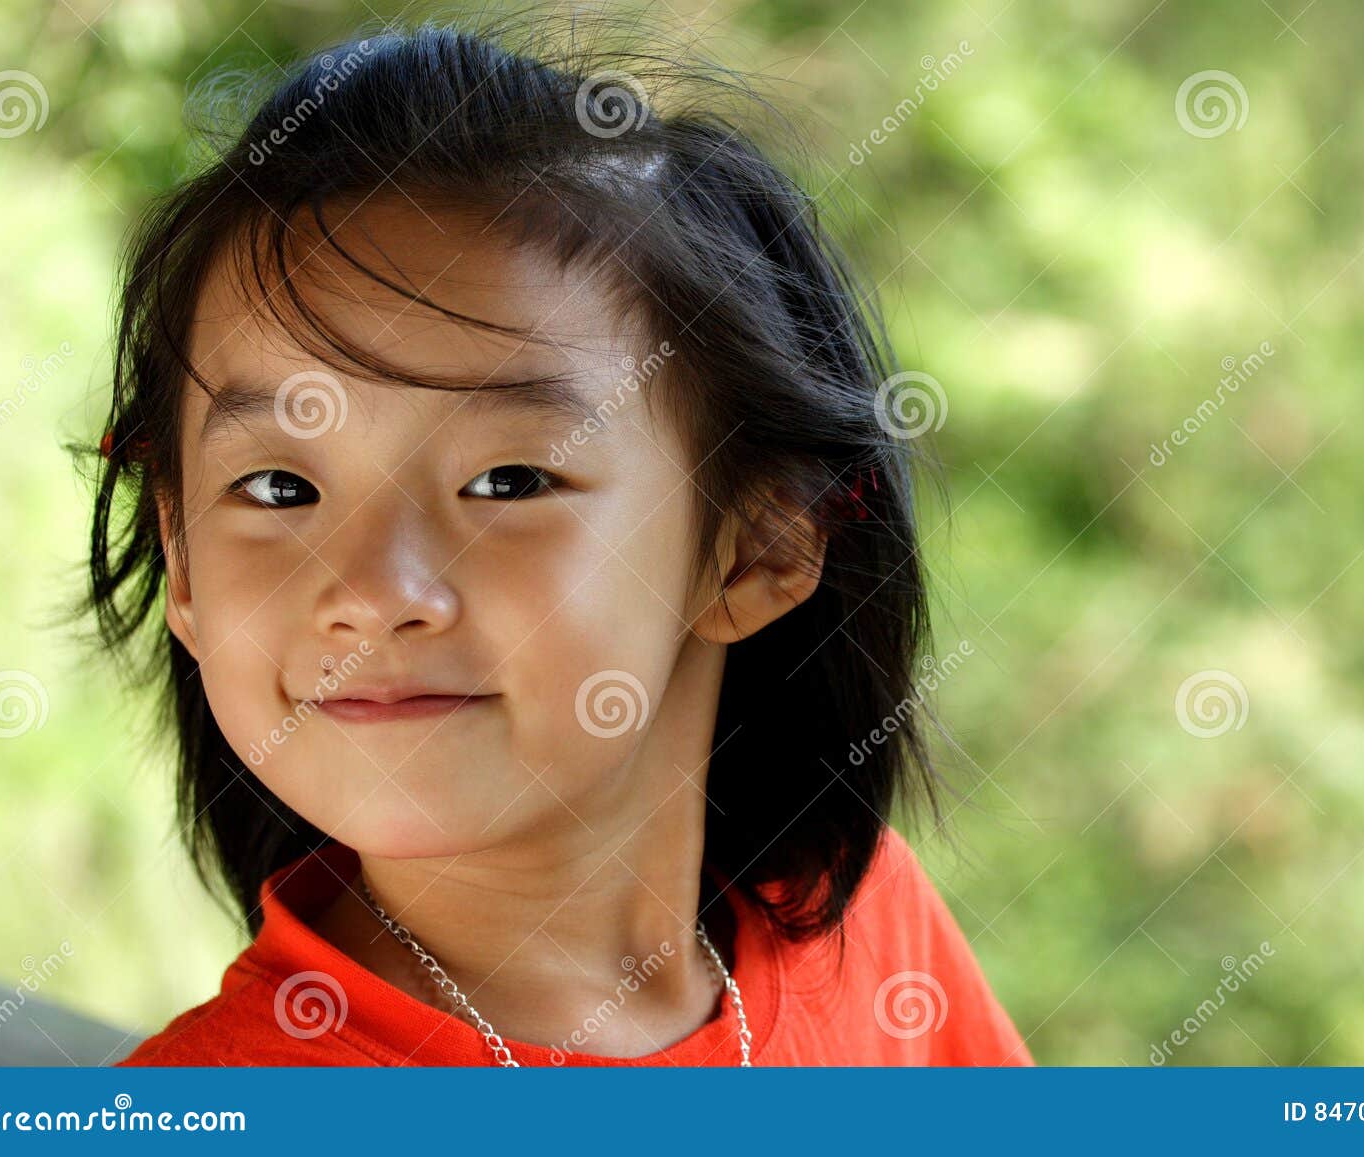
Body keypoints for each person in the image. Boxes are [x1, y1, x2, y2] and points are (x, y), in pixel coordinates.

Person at [81, 14, 1032, 1068]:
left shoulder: (865, 933)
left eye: (507, 480)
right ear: (181, 560)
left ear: (760, 545)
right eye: (277, 485)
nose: (373, 591)